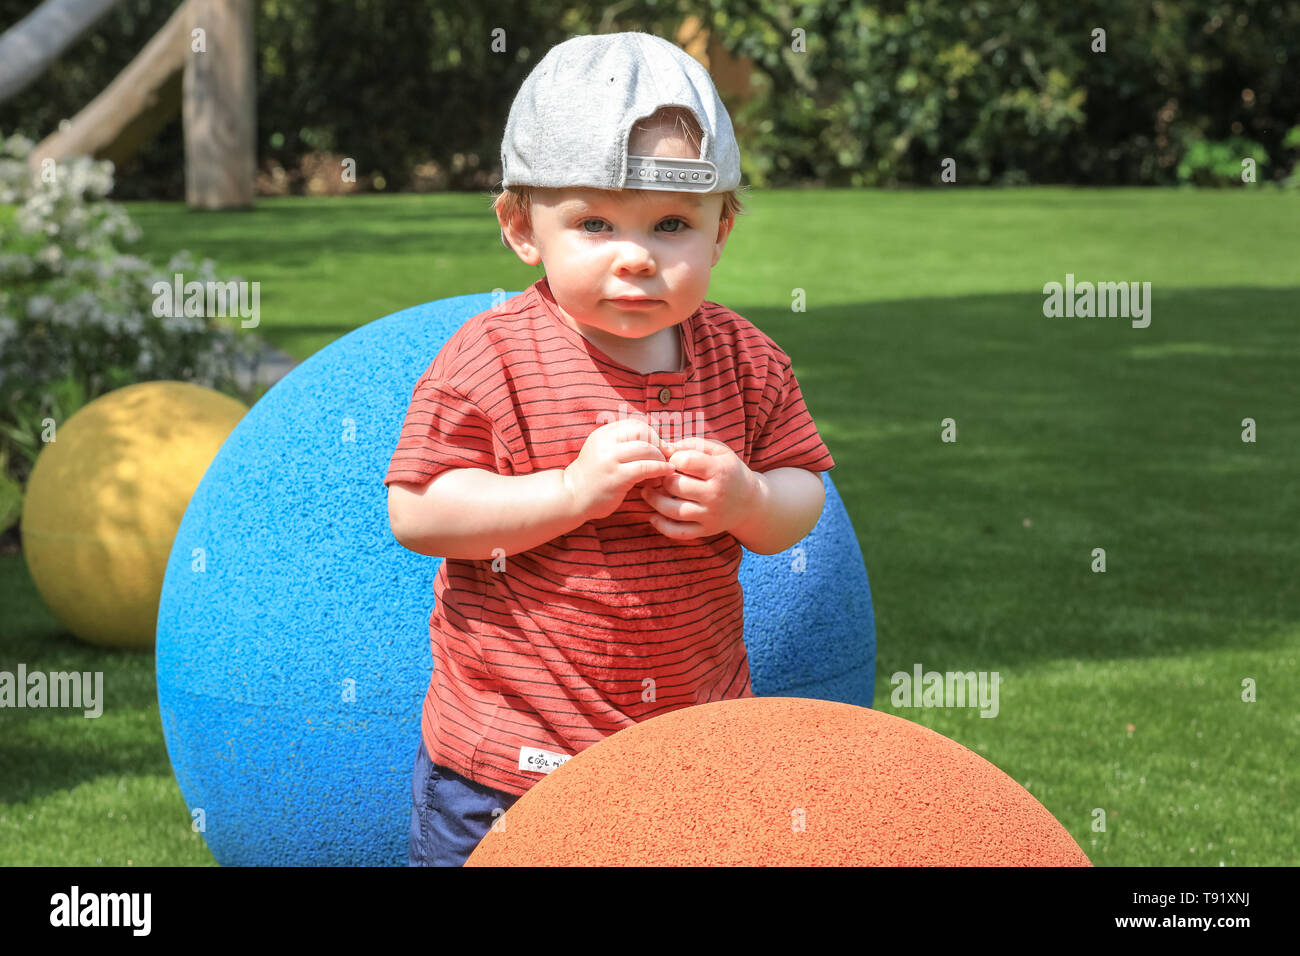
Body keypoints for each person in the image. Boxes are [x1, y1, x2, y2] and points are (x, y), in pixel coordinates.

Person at [386, 31, 836, 866]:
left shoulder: (747, 361)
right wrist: (566, 493)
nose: (636, 257)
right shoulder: (493, 358)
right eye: (594, 223)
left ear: (721, 229)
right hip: (511, 763)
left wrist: (749, 501)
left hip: (690, 750)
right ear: (523, 228)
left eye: (672, 224)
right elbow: (419, 510)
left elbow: (800, 490)